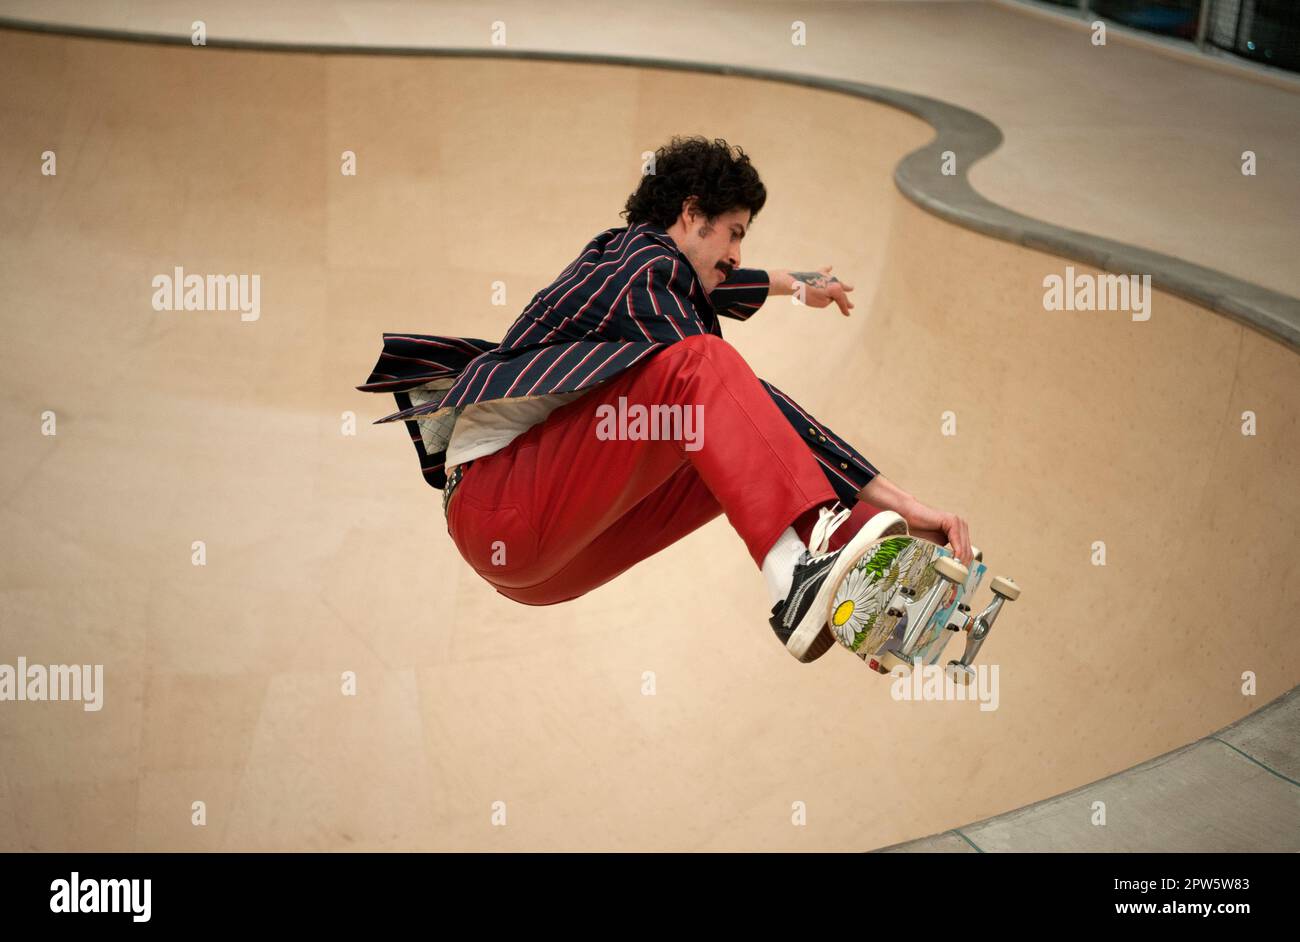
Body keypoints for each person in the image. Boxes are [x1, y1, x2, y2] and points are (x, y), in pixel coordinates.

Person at [358, 136, 972, 663]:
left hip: (547, 568)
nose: (738, 254)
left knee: (720, 452)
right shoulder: (642, 269)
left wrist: (800, 284)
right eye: (733, 233)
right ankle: (793, 577)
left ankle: (872, 588)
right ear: (689, 213)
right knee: (710, 375)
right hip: (499, 501)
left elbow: (727, 282)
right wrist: (903, 498)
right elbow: (745, 396)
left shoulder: (644, 267)